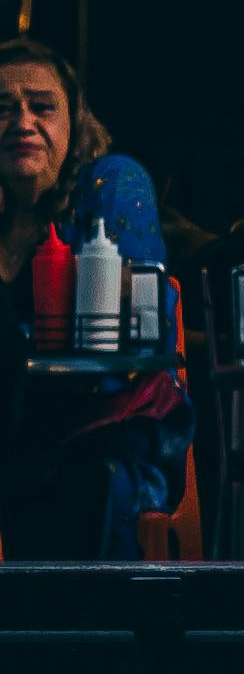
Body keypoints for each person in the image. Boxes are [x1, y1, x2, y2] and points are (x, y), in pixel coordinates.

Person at [0, 36, 189, 560]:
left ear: (73, 123)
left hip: (99, 428)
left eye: (42, 107)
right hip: (13, 438)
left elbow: (141, 325)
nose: (22, 121)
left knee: (81, 484)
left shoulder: (109, 186)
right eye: (3, 108)